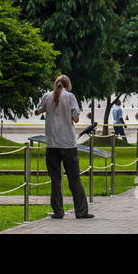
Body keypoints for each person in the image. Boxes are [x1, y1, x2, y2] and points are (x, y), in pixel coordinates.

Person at [34, 75, 92, 219]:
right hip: (68, 143)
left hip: (52, 143)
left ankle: (58, 211)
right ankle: (81, 211)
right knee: (74, 179)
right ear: (68, 85)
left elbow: (37, 111)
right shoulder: (70, 97)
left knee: (55, 179)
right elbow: (76, 119)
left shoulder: (47, 96)